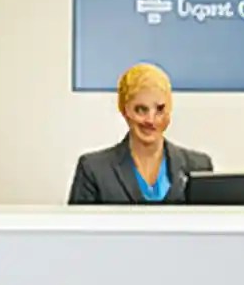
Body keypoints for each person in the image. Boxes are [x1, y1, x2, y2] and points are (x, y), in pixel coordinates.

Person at [68, 63, 213, 205]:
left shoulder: (198, 167)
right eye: (141, 110)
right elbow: (76, 228)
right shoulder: (93, 170)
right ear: (124, 111)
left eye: (160, 109)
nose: (151, 120)